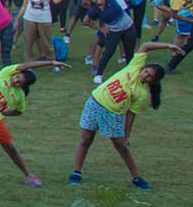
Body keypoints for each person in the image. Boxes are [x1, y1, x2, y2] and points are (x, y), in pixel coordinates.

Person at [66, 42, 180, 190]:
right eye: (146, 71)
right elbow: (145, 46)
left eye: (150, 77)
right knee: (86, 139)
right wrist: (168, 46)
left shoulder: (142, 94)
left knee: (122, 147)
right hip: (94, 102)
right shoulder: (134, 67)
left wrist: (126, 136)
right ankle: (76, 172)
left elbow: (131, 115)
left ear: (153, 81)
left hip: (112, 114)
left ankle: (136, 178)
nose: (145, 75)